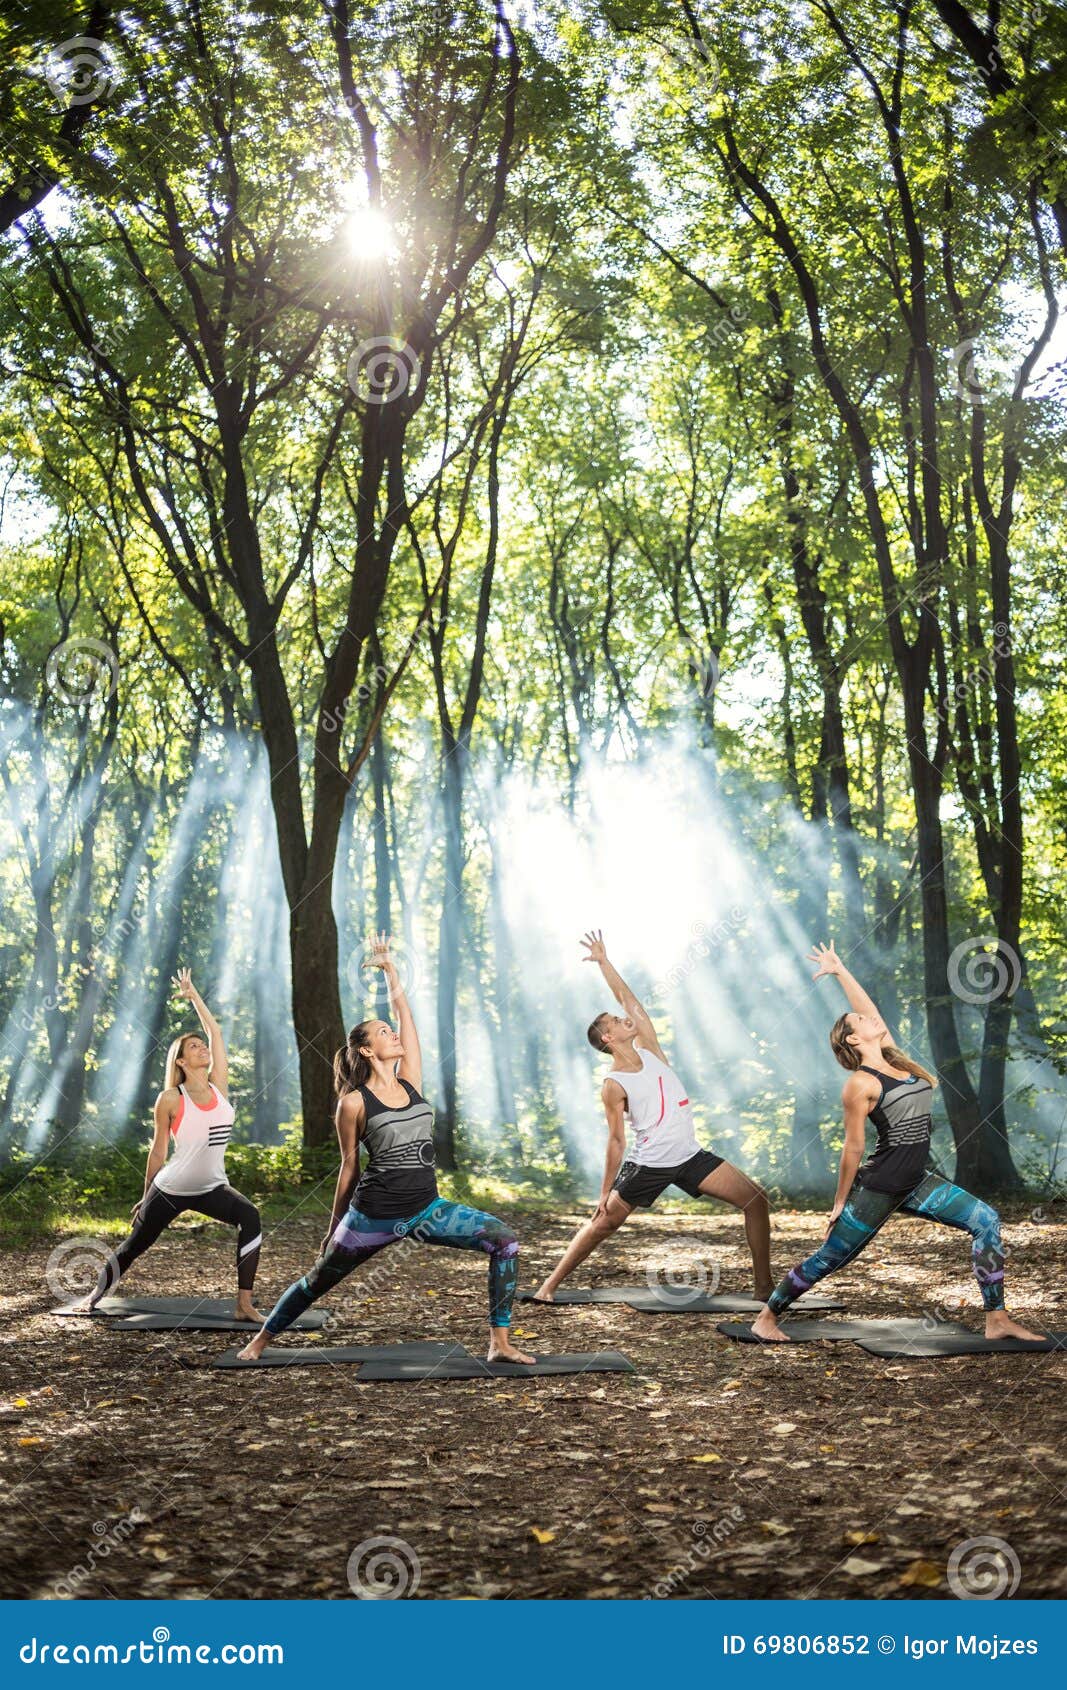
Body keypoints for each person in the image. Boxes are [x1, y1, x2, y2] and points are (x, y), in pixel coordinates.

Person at [237, 934, 534, 1364]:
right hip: (373, 1217)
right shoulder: (353, 1102)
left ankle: (500, 1342)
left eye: (389, 1029)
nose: (391, 1033)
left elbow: (406, 1019)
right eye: (381, 1032)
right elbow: (349, 1167)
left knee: (504, 1241)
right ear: (365, 1049)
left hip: (428, 1210)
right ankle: (260, 1340)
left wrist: (392, 972)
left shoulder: (410, 1081)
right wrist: (335, 1225)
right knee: (318, 1280)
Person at [752, 941, 1043, 1342]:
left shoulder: (893, 1061)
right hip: (880, 1186)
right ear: (853, 1040)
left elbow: (868, 1009)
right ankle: (767, 1317)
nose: (873, 1020)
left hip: (917, 1182)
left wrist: (839, 971)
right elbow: (852, 1147)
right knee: (831, 1258)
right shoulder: (862, 1083)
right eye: (861, 1021)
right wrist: (840, 1202)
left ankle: (996, 1318)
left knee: (986, 1220)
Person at [531, 930, 773, 1304]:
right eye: (615, 1020)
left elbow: (629, 999)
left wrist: (604, 962)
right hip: (649, 1164)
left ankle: (763, 1288)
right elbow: (616, 1140)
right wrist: (604, 1190)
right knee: (604, 1224)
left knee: (756, 1200)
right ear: (608, 1039)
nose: (624, 1017)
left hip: (690, 1156)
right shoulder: (613, 1083)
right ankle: (548, 1288)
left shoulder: (651, 1050)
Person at [80, 969, 261, 1320]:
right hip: (172, 1187)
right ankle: (94, 1294)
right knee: (136, 1244)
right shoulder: (170, 1099)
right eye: (194, 1047)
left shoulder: (218, 1089)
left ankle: (244, 1305)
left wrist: (194, 996)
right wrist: (147, 1194)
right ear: (180, 1061)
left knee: (250, 1218)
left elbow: (216, 1031)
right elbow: (159, 1150)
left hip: (211, 1187)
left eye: (202, 1045)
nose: (203, 1048)